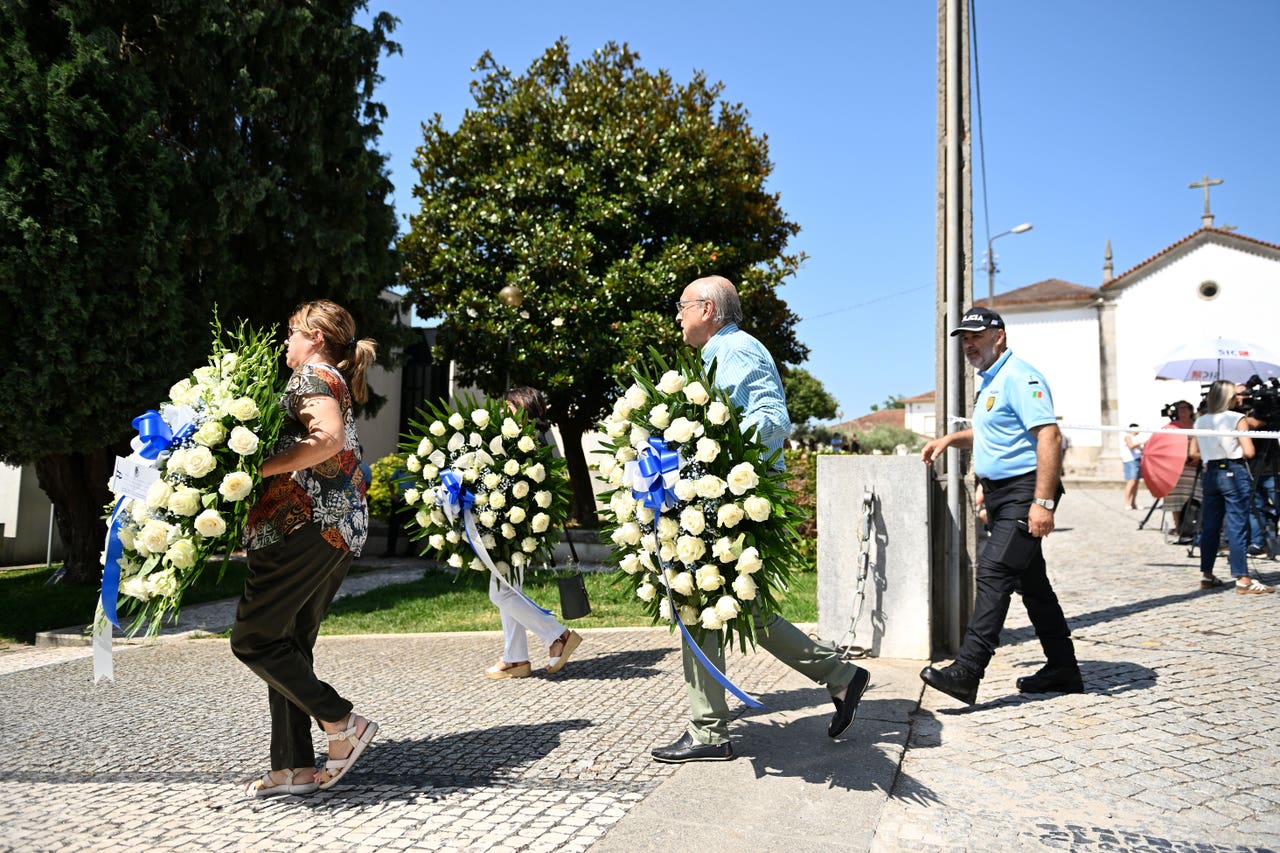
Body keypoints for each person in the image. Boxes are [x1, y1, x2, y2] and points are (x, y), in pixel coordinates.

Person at [650, 275, 870, 764]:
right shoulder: (718, 354)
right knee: (735, 608)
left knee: (700, 605)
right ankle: (840, 677)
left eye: (683, 306)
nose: (678, 316)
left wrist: (719, 469)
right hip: (712, 499)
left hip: (725, 502)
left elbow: (770, 418)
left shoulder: (737, 352)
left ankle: (708, 733)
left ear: (708, 309)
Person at [232, 299, 380, 797]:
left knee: (254, 640)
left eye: (292, 331)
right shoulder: (331, 379)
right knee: (289, 644)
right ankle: (292, 768)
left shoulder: (310, 378)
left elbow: (328, 440)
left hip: (302, 527)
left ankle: (342, 722)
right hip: (336, 529)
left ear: (316, 336)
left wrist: (254, 468)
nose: (286, 342)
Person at [919, 306, 1081, 704]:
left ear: (999, 335)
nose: (969, 344)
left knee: (993, 570)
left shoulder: (1020, 376)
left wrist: (1042, 502)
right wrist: (949, 442)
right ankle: (1063, 668)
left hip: (1026, 491)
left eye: (976, 336)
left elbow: (1049, 436)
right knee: (1034, 586)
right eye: (965, 339)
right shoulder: (991, 381)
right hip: (1002, 492)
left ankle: (967, 671)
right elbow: (994, 433)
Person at [483, 386, 583, 679]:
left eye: (509, 407)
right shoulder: (524, 441)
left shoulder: (527, 445)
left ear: (524, 408)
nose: (502, 412)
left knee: (501, 593)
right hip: (510, 529)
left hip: (516, 530)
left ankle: (557, 635)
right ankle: (515, 658)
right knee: (509, 590)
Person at [1195, 380, 1270, 593]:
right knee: (1237, 525)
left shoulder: (1201, 420)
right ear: (1228, 397)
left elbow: (1194, 452)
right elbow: (1249, 452)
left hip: (1210, 473)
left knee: (1210, 526)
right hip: (1233, 471)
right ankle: (1242, 578)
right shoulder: (1237, 418)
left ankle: (1207, 575)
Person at [1163, 401, 1201, 543]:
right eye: (1179, 408)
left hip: (1193, 466)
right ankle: (1179, 528)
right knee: (1176, 499)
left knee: (1193, 497)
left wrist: (1197, 457)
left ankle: (1192, 527)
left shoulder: (1197, 425)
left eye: (1184, 408)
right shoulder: (1171, 427)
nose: (1182, 411)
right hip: (1175, 468)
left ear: (1191, 410)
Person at [1121, 423, 1145, 510]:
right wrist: (1142, 443)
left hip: (1138, 460)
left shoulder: (1137, 438)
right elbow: (1131, 446)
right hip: (1130, 461)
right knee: (1131, 481)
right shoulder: (1128, 436)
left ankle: (1133, 503)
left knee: (1136, 482)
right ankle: (1127, 503)